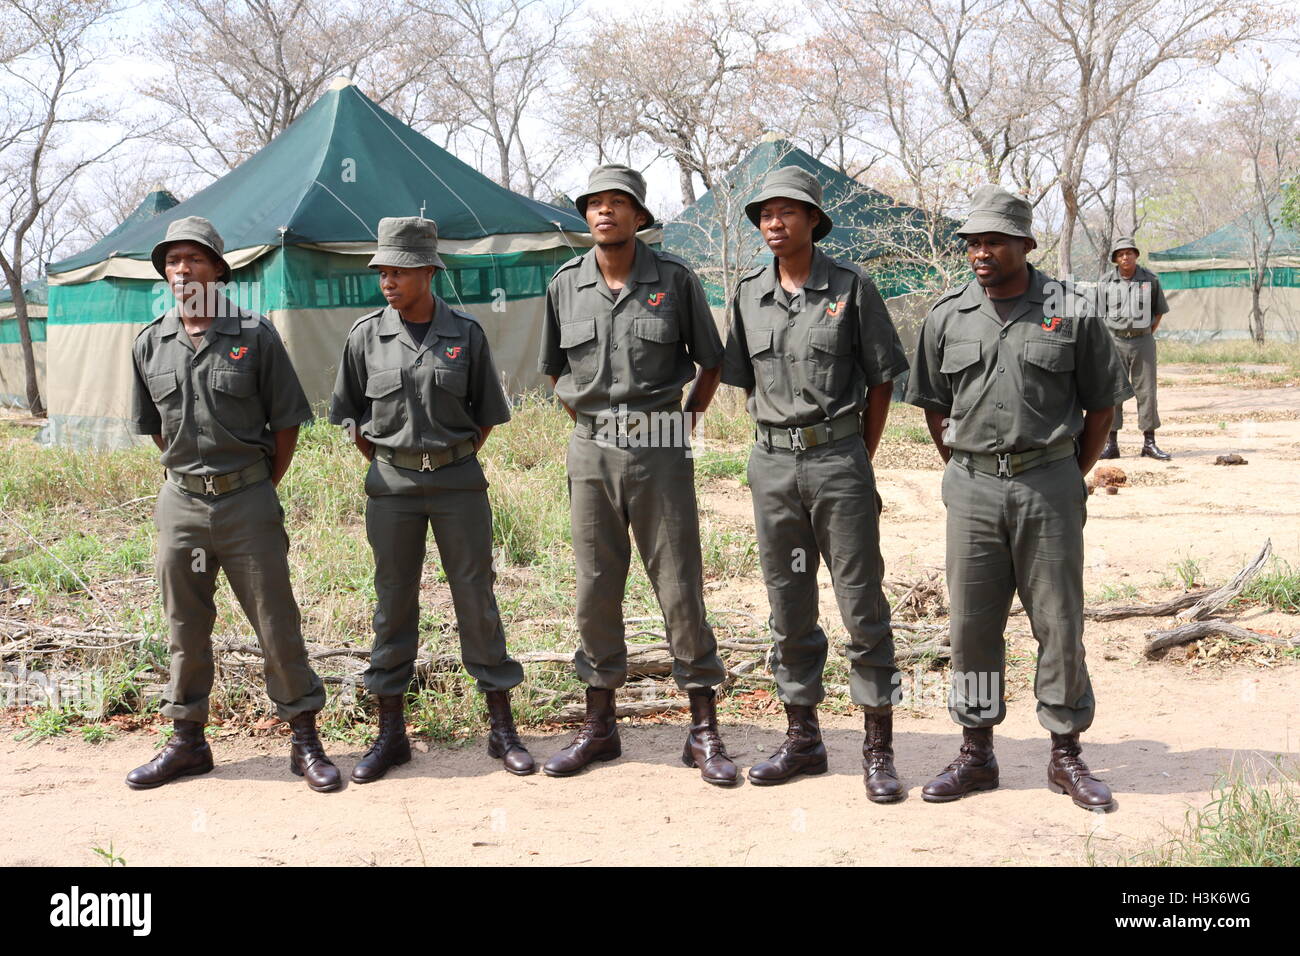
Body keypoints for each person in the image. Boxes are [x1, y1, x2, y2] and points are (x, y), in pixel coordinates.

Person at [905, 186, 1133, 812]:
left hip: (1049, 485)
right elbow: (934, 407)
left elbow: (1102, 405)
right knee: (972, 625)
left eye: (993, 242)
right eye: (973, 242)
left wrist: (1062, 470)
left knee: (1058, 621)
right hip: (973, 487)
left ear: (1026, 245)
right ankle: (977, 753)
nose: (980, 252)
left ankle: (1065, 754)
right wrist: (971, 467)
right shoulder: (946, 315)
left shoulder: (1072, 309)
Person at [537, 164, 736, 786]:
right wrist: (597, 424)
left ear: (639, 216)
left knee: (679, 583)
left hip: (660, 444)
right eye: (594, 203)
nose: (604, 213)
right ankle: (600, 727)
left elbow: (711, 363)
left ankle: (702, 729)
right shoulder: (565, 284)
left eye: (617, 203)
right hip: (591, 448)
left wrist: (682, 422)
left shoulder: (673, 280)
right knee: (595, 585)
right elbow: (555, 372)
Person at [126, 216, 338, 793]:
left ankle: (304, 740)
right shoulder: (150, 341)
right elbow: (155, 429)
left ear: (219, 269)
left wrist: (255, 484)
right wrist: (192, 480)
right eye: (173, 261)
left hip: (247, 501)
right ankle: (187, 742)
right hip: (182, 506)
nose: (182, 269)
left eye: (194, 259)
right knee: (184, 625)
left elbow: (287, 422)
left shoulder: (256, 333)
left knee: (276, 622)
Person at [720, 167, 910, 801]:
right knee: (787, 602)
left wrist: (856, 453)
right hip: (772, 466)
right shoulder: (747, 294)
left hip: (838, 464)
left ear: (813, 221)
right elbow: (743, 378)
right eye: (765, 215)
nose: (774, 223)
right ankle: (804, 737)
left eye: (787, 213)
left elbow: (882, 380)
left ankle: (878, 747)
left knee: (861, 603)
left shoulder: (852, 288)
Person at [329, 216, 531, 782]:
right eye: (382, 272)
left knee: (476, 599)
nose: (387, 281)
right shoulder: (365, 336)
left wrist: (445, 457)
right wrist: (396, 460)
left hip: (458, 483)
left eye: (398, 271)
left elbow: (485, 415)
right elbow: (350, 416)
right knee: (393, 603)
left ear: (426, 271)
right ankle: (390, 734)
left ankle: (501, 729)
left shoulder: (466, 334)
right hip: (391, 487)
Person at [1097, 236, 1171, 460]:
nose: (1125, 257)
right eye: (1120, 254)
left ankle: (1149, 443)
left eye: (1129, 252)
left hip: (1143, 342)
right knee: (1113, 392)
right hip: (1115, 341)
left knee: (1147, 391)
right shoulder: (1106, 282)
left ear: (1136, 255)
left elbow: (1158, 312)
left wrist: (1145, 333)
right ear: (1115, 259)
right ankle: (1111, 444)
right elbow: (1099, 315)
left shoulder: (1150, 280)